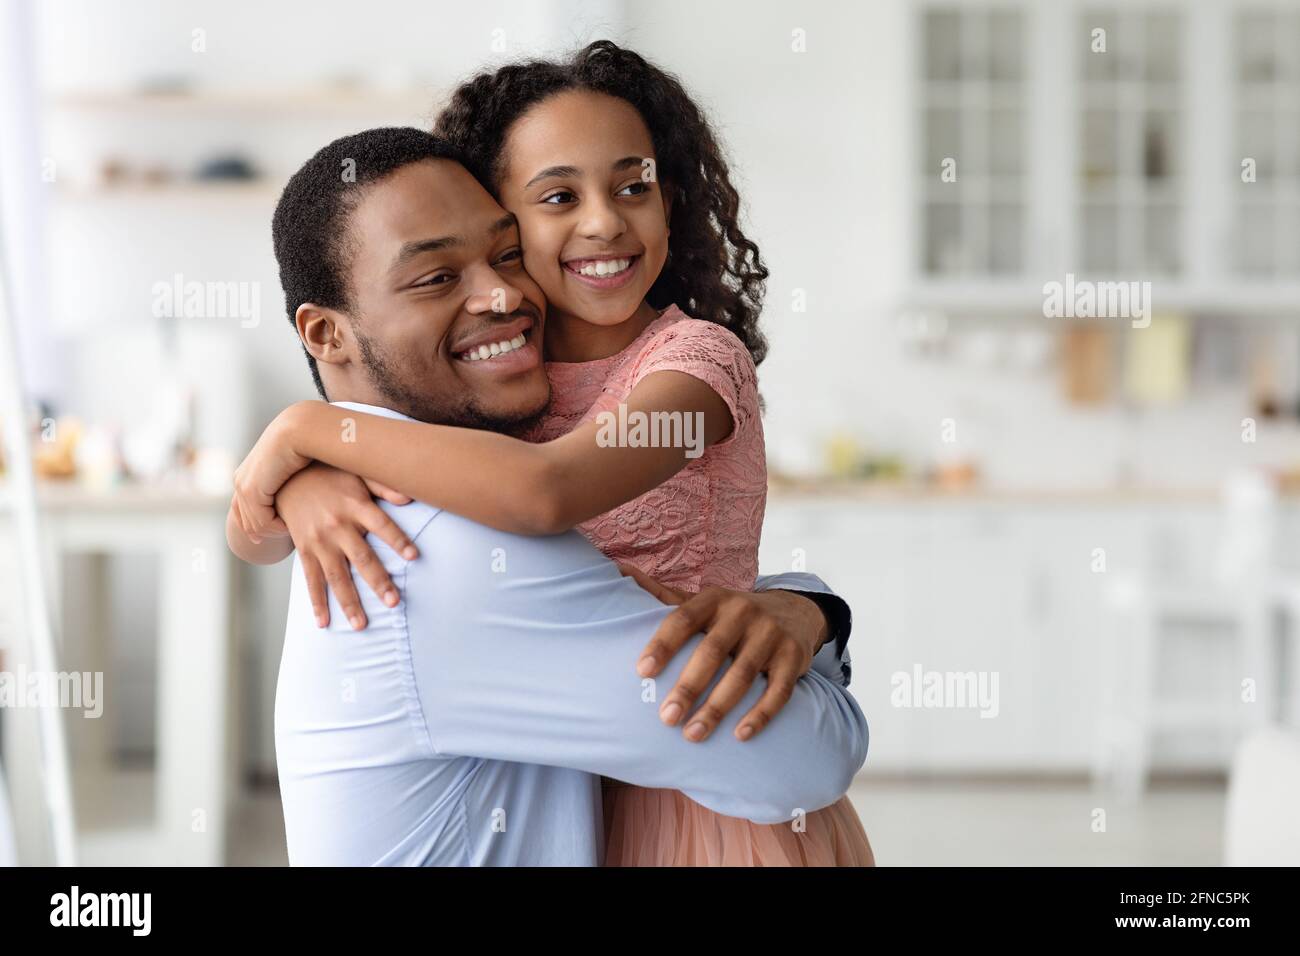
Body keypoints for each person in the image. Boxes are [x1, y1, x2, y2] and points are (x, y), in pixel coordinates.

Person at [228, 127, 868, 865]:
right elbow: (802, 758)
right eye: (435, 277)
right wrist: (811, 608)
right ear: (326, 334)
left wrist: (312, 442)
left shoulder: (393, 499)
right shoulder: (450, 548)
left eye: (506, 255)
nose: (503, 294)